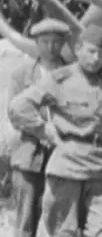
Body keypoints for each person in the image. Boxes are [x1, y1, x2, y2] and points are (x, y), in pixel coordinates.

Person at [7, 16, 102, 237]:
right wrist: (43, 130)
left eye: (101, 53)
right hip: (68, 167)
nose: (96, 58)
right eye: (90, 51)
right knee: (63, 230)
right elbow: (18, 107)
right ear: (78, 49)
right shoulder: (60, 79)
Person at [7, 18, 70, 237]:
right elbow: (15, 114)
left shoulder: (75, 75)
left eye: (56, 42)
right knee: (26, 221)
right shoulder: (21, 75)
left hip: (65, 158)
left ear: (63, 43)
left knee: (65, 221)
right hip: (28, 157)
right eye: (44, 41)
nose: (50, 47)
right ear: (36, 43)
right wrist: (43, 130)